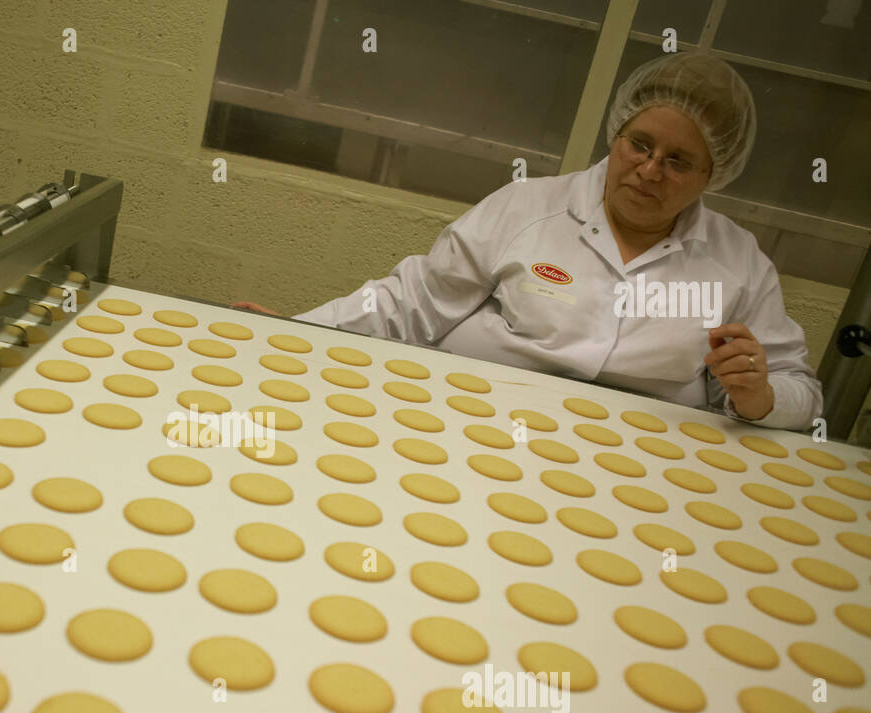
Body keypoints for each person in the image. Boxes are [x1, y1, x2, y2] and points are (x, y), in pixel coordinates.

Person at [236, 53, 823, 431]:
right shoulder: (529, 207)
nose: (648, 170)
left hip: (637, 472)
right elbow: (410, 302)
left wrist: (760, 397)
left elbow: (800, 392)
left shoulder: (738, 264)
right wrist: (294, 336)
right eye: (639, 145)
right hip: (468, 422)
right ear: (616, 132)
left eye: (678, 161)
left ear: (713, 174)